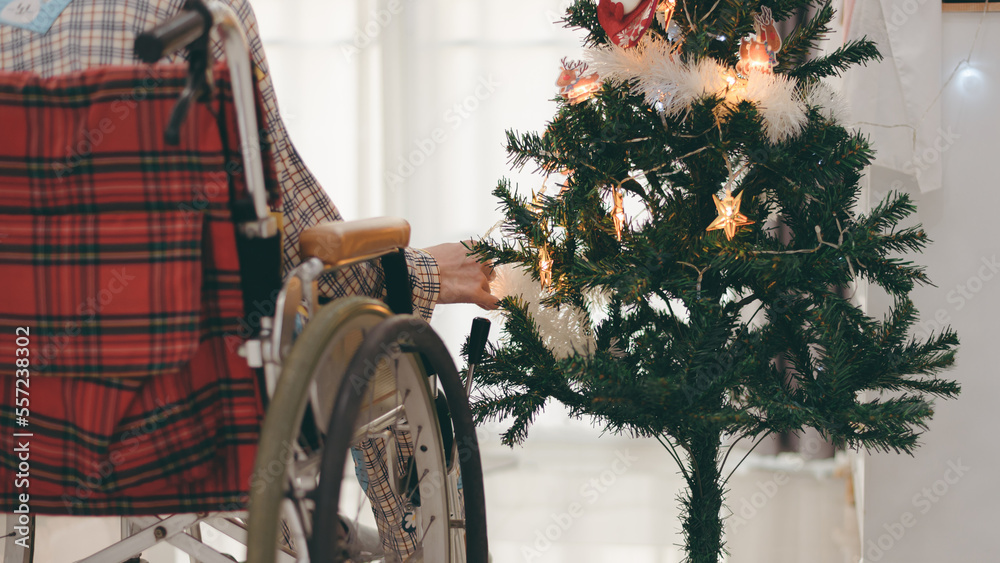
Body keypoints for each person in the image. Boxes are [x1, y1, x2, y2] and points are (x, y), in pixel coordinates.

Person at [0, 0, 495, 557]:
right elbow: (296, 238)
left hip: (21, 417)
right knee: (364, 327)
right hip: (184, 408)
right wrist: (419, 274)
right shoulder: (192, 13)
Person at [0, 0, 498, 320]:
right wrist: (417, 275)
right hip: (176, 362)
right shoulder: (195, 13)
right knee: (351, 335)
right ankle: (410, 484)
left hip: (16, 369)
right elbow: (279, 221)